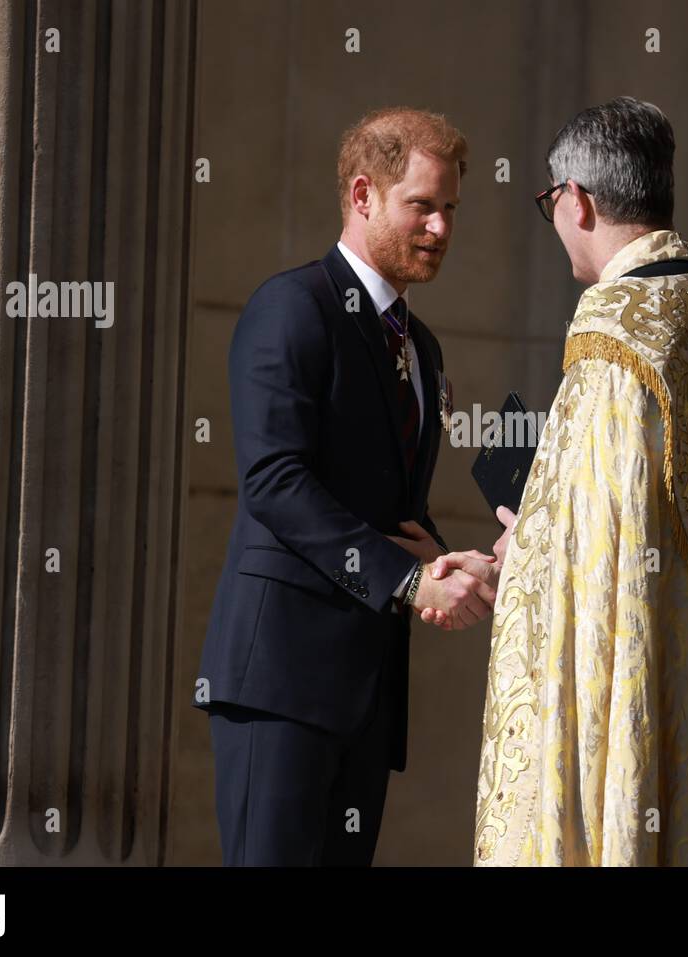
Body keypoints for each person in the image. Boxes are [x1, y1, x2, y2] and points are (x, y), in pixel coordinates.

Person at [441, 96, 688, 865]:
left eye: (549, 202)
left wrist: (522, 548)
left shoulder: (615, 327)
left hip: (652, 666)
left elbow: (596, 545)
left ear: (575, 200)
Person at [194, 107, 496, 866]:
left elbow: (385, 502)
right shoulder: (291, 308)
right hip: (280, 684)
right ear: (363, 195)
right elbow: (275, 480)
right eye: (421, 205)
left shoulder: (421, 347)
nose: (441, 228)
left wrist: (443, 558)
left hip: (367, 696)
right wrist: (406, 582)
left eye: (451, 208)